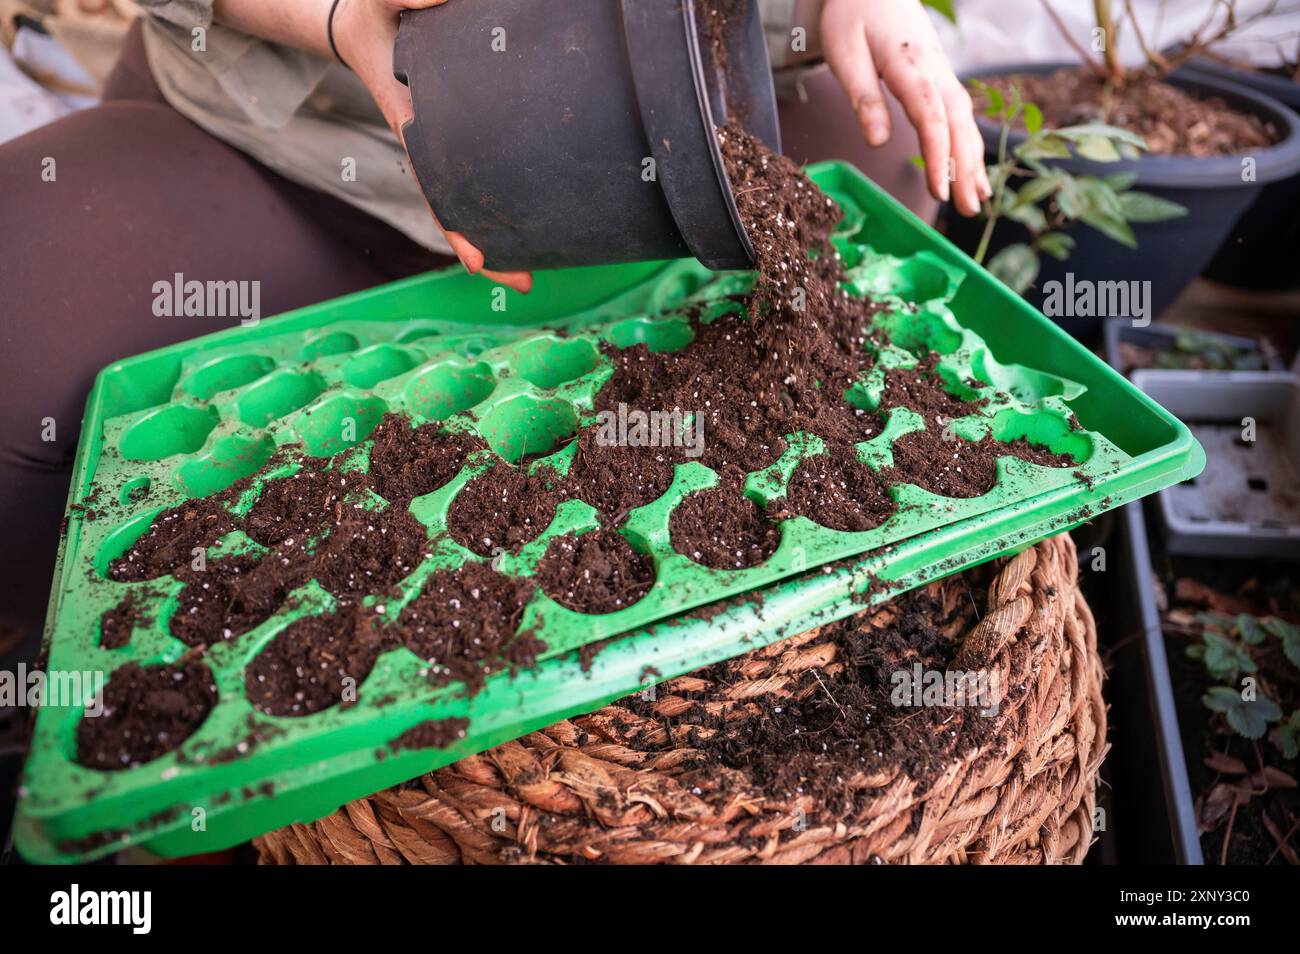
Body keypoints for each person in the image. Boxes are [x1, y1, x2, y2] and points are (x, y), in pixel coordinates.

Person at [0, 0, 988, 650]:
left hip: (687, 116)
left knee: (893, 160)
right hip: (302, 151)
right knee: (22, 331)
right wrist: (343, 19)